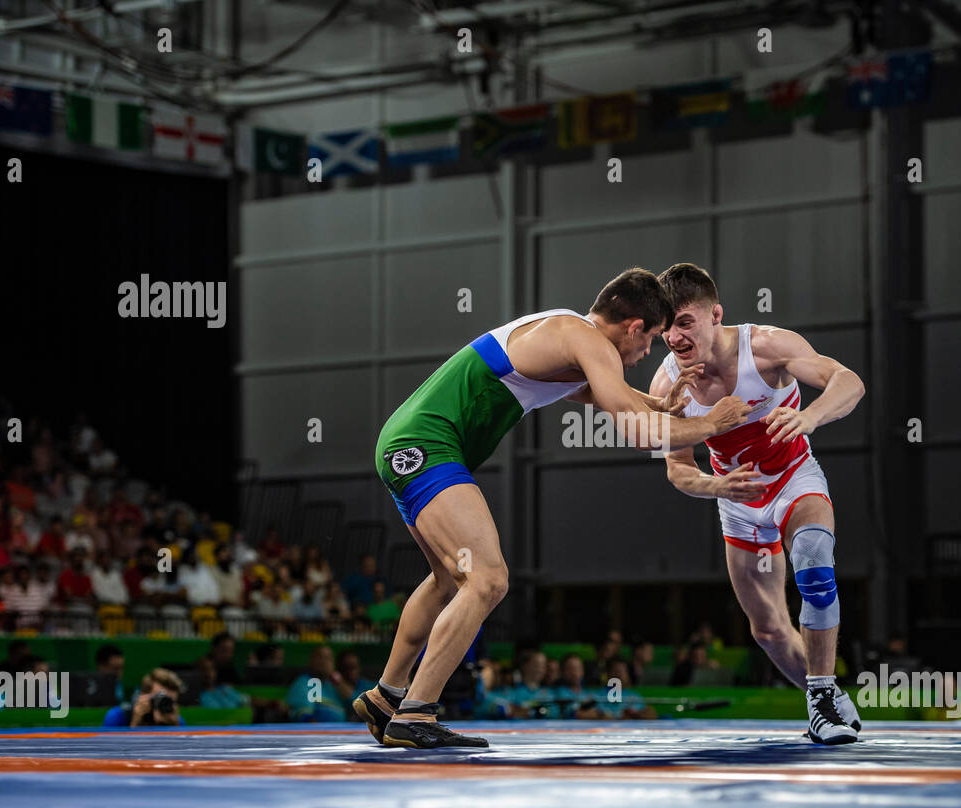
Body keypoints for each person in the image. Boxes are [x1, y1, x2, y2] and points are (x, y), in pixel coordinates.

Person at [352, 268, 749, 748]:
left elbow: (606, 396)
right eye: (651, 343)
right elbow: (636, 430)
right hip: (425, 446)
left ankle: (385, 696)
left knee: (445, 580)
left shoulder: (569, 334)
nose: (650, 354)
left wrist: (665, 406)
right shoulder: (586, 342)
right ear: (634, 327)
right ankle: (416, 712)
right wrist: (709, 423)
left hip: (412, 442)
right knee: (488, 579)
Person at [649, 263, 865, 745]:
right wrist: (717, 487)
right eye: (666, 329)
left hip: (792, 477)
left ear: (715, 316)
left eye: (685, 323)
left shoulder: (766, 347)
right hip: (738, 498)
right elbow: (677, 469)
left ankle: (823, 697)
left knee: (813, 561)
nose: (675, 338)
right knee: (767, 629)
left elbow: (848, 382)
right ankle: (823, 695)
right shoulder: (667, 387)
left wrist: (809, 416)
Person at [103, 668, 185, 727]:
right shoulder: (117, 717)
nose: (163, 704)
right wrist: (136, 722)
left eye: (169, 701)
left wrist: (175, 726)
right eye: (159, 698)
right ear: (143, 696)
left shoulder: (175, 719)